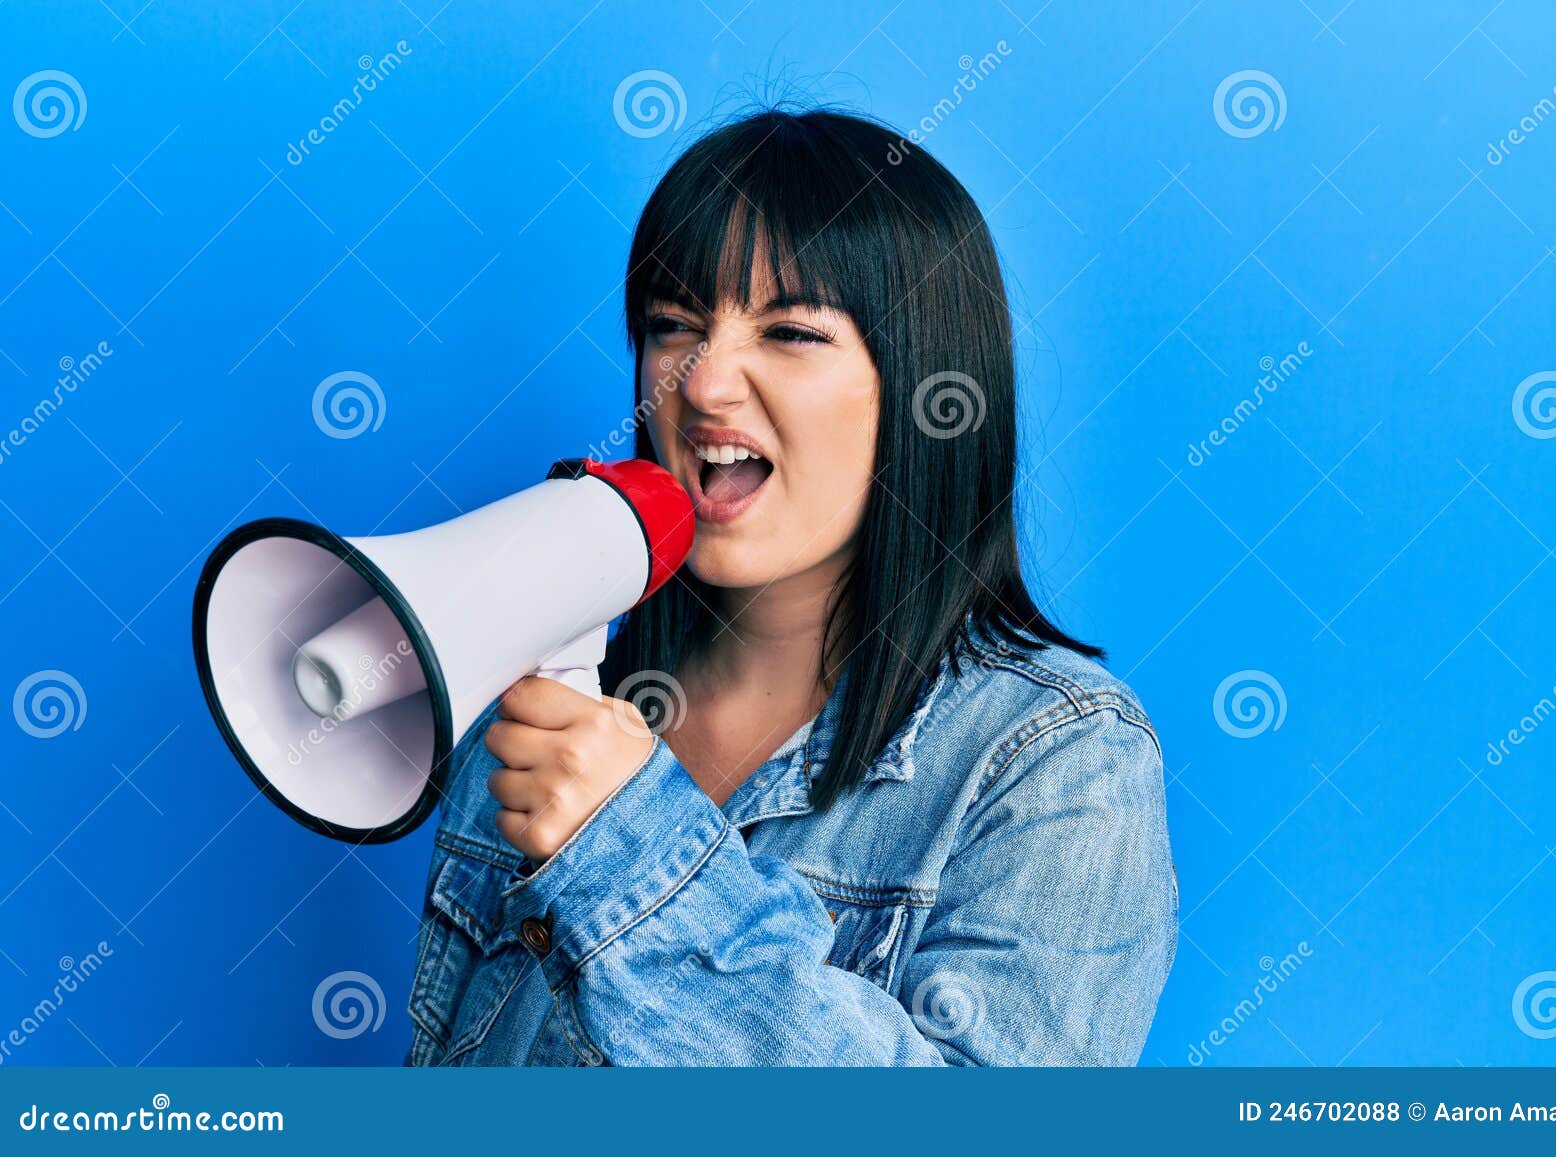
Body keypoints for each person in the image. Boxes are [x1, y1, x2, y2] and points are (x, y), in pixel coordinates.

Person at [405, 107, 1177, 1066]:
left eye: (791, 331)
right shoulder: (551, 705)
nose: (702, 382)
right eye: (672, 324)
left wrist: (628, 847)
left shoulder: (1050, 759)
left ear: (925, 384)